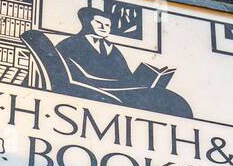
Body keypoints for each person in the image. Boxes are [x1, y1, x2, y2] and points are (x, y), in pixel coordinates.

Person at [56, 6, 193, 117]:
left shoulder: (111, 48)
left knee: (165, 98)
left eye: (107, 25)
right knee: (160, 98)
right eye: (99, 23)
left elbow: (125, 74)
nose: (104, 27)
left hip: (121, 89)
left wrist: (146, 79)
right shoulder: (70, 43)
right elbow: (66, 74)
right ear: (87, 22)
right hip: (95, 91)